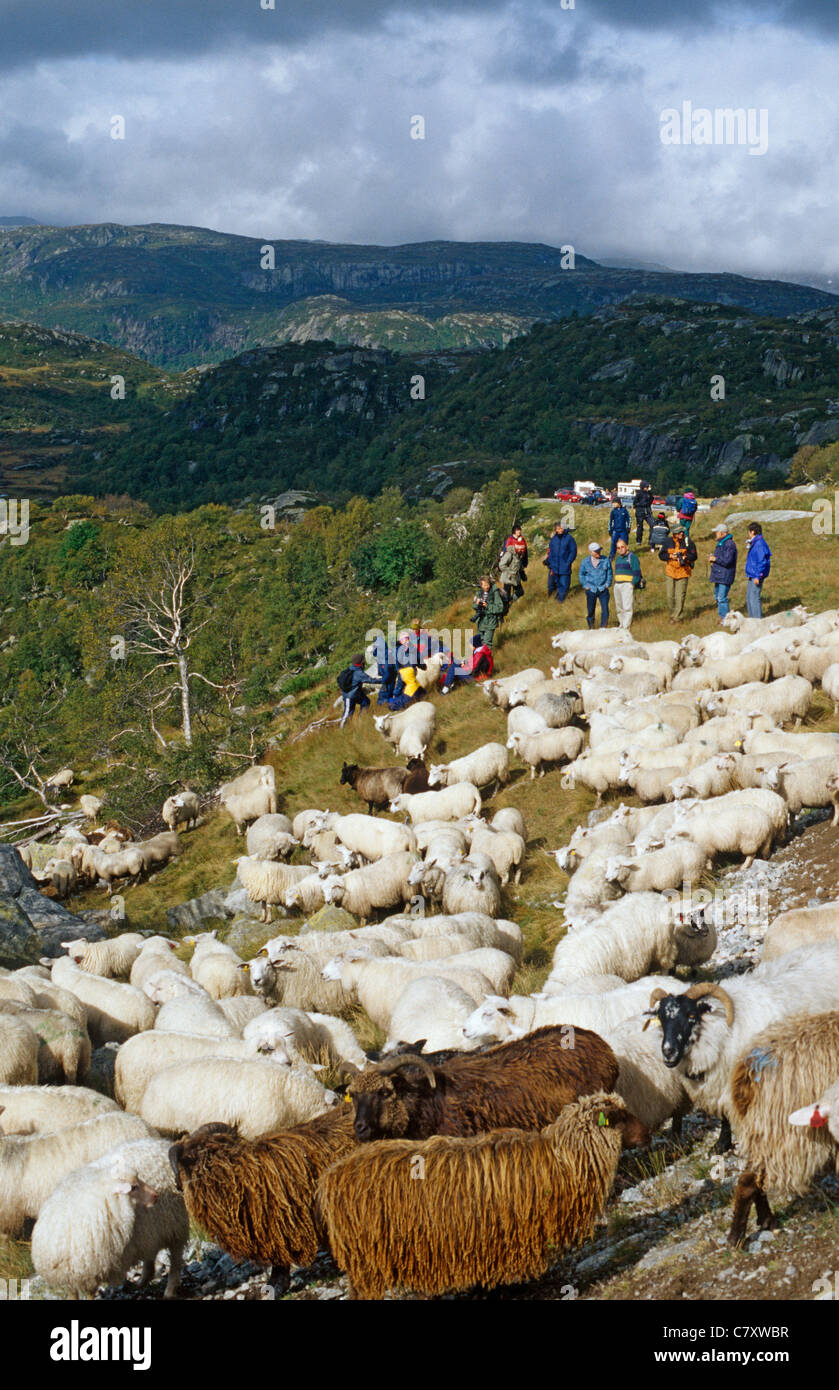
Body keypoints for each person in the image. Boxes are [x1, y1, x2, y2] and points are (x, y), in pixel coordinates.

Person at [658, 524, 697, 622]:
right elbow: (661, 555)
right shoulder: (667, 542)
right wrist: (671, 556)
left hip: (683, 572)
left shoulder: (688, 542)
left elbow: (694, 556)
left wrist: (685, 557)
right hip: (670, 571)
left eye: (682, 531)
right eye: (679, 532)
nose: (681, 533)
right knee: (670, 596)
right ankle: (672, 614)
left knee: (680, 596)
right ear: (674, 533)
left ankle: (677, 618)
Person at [339, 655, 382, 728]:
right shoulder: (359, 672)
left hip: (352, 694)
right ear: (361, 662)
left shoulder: (350, 669)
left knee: (365, 702)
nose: (365, 662)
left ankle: (361, 721)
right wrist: (383, 680)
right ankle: (342, 729)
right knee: (348, 713)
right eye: (363, 660)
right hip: (350, 696)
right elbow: (371, 680)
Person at [579, 542, 612, 629]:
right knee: (590, 610)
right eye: (596, 551)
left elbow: (609, 573)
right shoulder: (585, 562)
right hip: (591, 590)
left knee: (605, 610)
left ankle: (603, 628)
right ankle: (591, 627)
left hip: (603, 589)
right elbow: (581, 575)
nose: (598, 553)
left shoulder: (605, 560)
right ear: (591, 552)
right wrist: (585, 585)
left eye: (599, 550)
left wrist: (607, 584)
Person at [709, 524, 738, 621]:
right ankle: (722, 616)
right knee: (717, 597)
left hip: (725, 576)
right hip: (719, 575)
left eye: (716, 532)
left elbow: (727, 561)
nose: (715, 534)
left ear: (722, 533)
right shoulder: (721, 543)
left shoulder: (729, 544)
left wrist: (715, 559)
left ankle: (725, 619)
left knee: (722, 598)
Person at [612, 537, 642, 630]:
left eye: (622, 547)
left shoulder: (632, 557)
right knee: (619, 606)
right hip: (617, 584)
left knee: (627, 606)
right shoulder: (618, 558)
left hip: (627, 584)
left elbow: (637, 572)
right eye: (618, 548)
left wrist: (632, 584)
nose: (620, 549)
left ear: (627, 547)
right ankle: (621, 623)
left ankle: (626, 627)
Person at [546, 519, 578, 603]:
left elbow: (573, 552)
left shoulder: (569, 539)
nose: (559, 530)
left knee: (564, 585)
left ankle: (560, 603)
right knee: (551, 585)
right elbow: (551, 552)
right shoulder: (554, 539)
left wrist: (568, 562)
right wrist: (549, 562)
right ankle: (552, 601)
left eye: (561, 528)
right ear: (555, 529)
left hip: (564, 567)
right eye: (557, 529)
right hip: (554, 567)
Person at [744, 522, 771, 618]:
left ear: (752, 532)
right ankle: (752, 619)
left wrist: (758, 576)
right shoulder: (755, 542)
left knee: (754, 598)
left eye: (749, 532)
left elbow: (762, 561)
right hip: (752, 574)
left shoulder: (759, 544)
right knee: (749, 597)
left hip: (756, 575)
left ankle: (757, 620)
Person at [472, 575, 506, 647]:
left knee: (487, 644)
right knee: (480, 643)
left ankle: (486, 658)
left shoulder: (494, 592)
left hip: (491, 621)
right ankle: (482, 657)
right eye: (484, 585)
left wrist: (487, 606)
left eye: (488, 584)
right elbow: (474, 606)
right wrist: (476, 604)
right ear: (481, 585)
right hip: (481, 622)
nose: (486, 587)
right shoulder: (479, 593)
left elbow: (500, 608)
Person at [633, 481, 654, 547]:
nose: (647, 488)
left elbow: (651, 500)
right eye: (646, 487)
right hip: (640, 512)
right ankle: (638, 541)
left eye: (648, 487)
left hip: (648, 511)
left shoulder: (649, 493)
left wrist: (648, 504)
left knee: (652, 525)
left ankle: (650, 540)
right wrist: (641, 504)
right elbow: (635, 503)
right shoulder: (639, 494)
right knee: (640, 527)